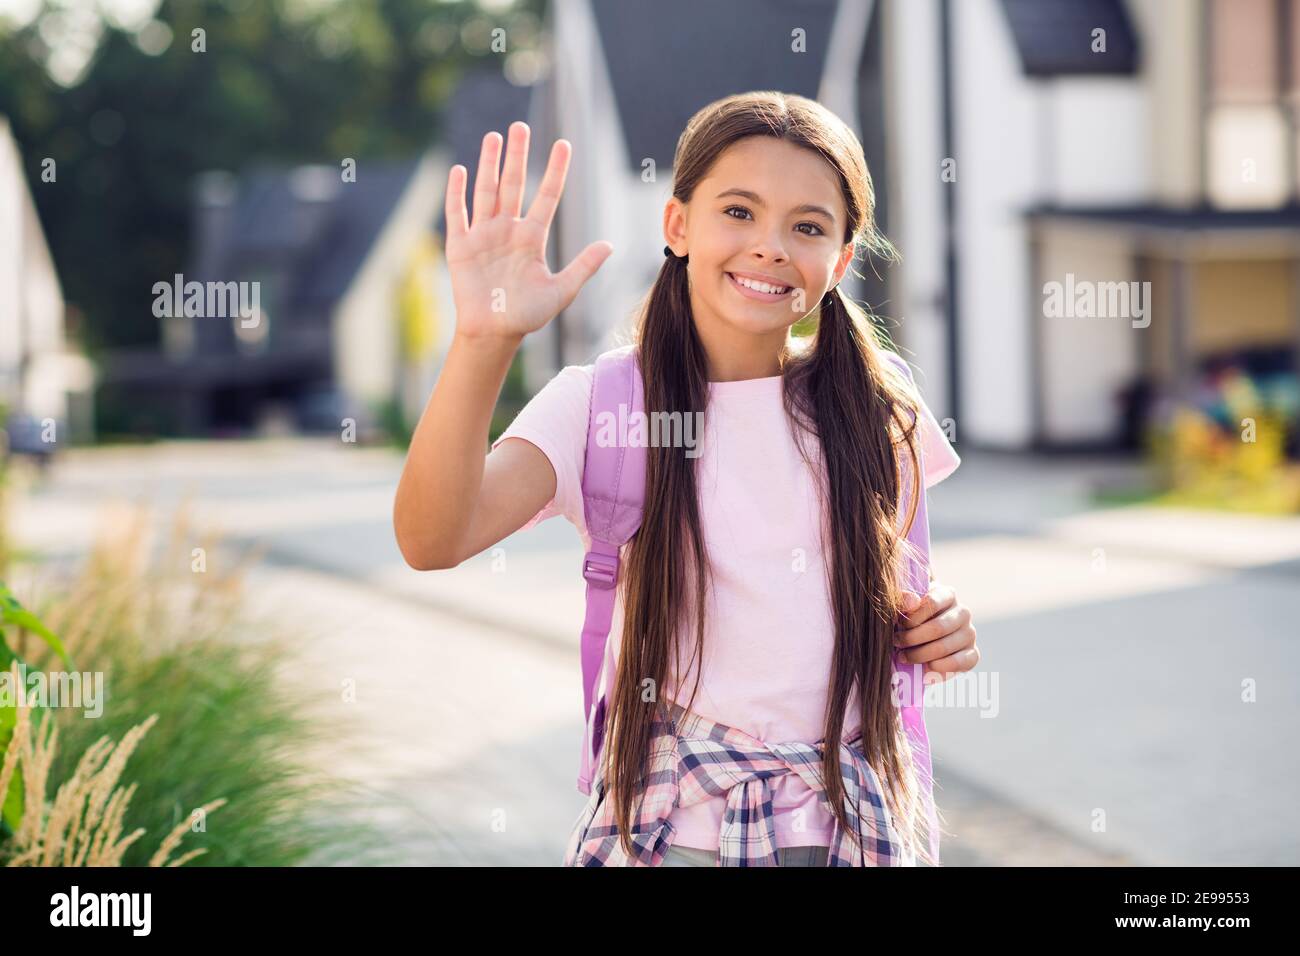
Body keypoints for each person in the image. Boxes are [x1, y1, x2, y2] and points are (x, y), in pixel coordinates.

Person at [393, 91, 980, 867]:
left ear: (839, 262)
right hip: (677, 833)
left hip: (851, 828)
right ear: (678, 225)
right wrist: (482, 338)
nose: (770, 246)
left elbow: (895, 604)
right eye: (738, 211)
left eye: (807, 226)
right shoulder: (602, 404)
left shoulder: (881, 407)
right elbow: (433, 537)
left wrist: (940, 627)